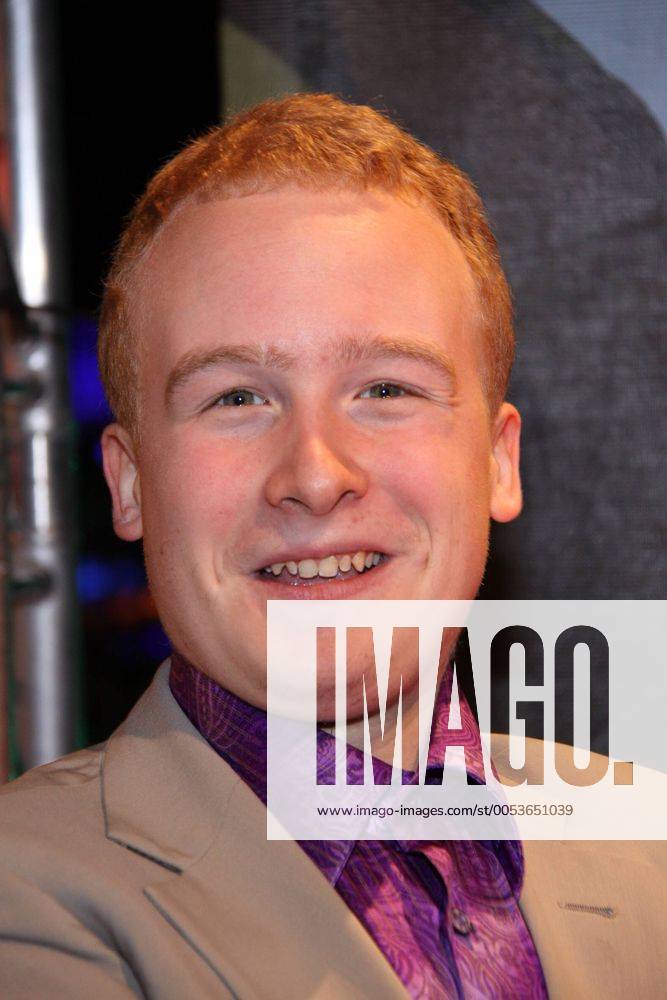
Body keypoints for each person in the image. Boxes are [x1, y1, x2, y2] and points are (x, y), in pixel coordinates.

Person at [0, 93, 664, 999]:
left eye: (386, 389)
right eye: (235, 398)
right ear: (129, 484)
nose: (315, 475)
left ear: (498, 462)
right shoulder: (26, 898)